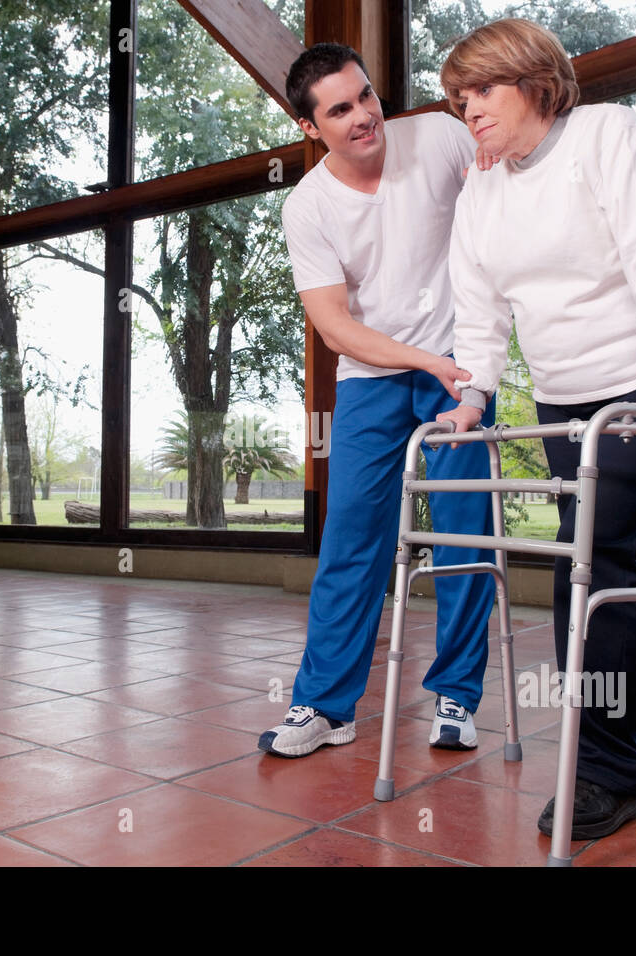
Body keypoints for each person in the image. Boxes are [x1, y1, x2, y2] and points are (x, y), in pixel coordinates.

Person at [435, 19, 636, 839]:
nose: (471, 111)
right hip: (566, 400)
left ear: (533, 81)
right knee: (612, 560)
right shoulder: (483, 191)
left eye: (483, 90)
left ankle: (607, 770)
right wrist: (473, 393)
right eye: (460, 100)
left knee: (591, 563)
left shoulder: (606, 135)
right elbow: (482, 309)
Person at [258, 42, 499, 757]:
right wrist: (423, 359)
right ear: (311, 128)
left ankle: (456, 695)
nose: (365, 116)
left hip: (455, 365)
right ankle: (327, 706)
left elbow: (498, 207)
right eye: (340, 109)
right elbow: (336, 327)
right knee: (352, 536)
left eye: (365, 95)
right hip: (372, 374)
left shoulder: (441, 136)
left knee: (464, 531)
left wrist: (471, 362)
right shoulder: (308, 209)